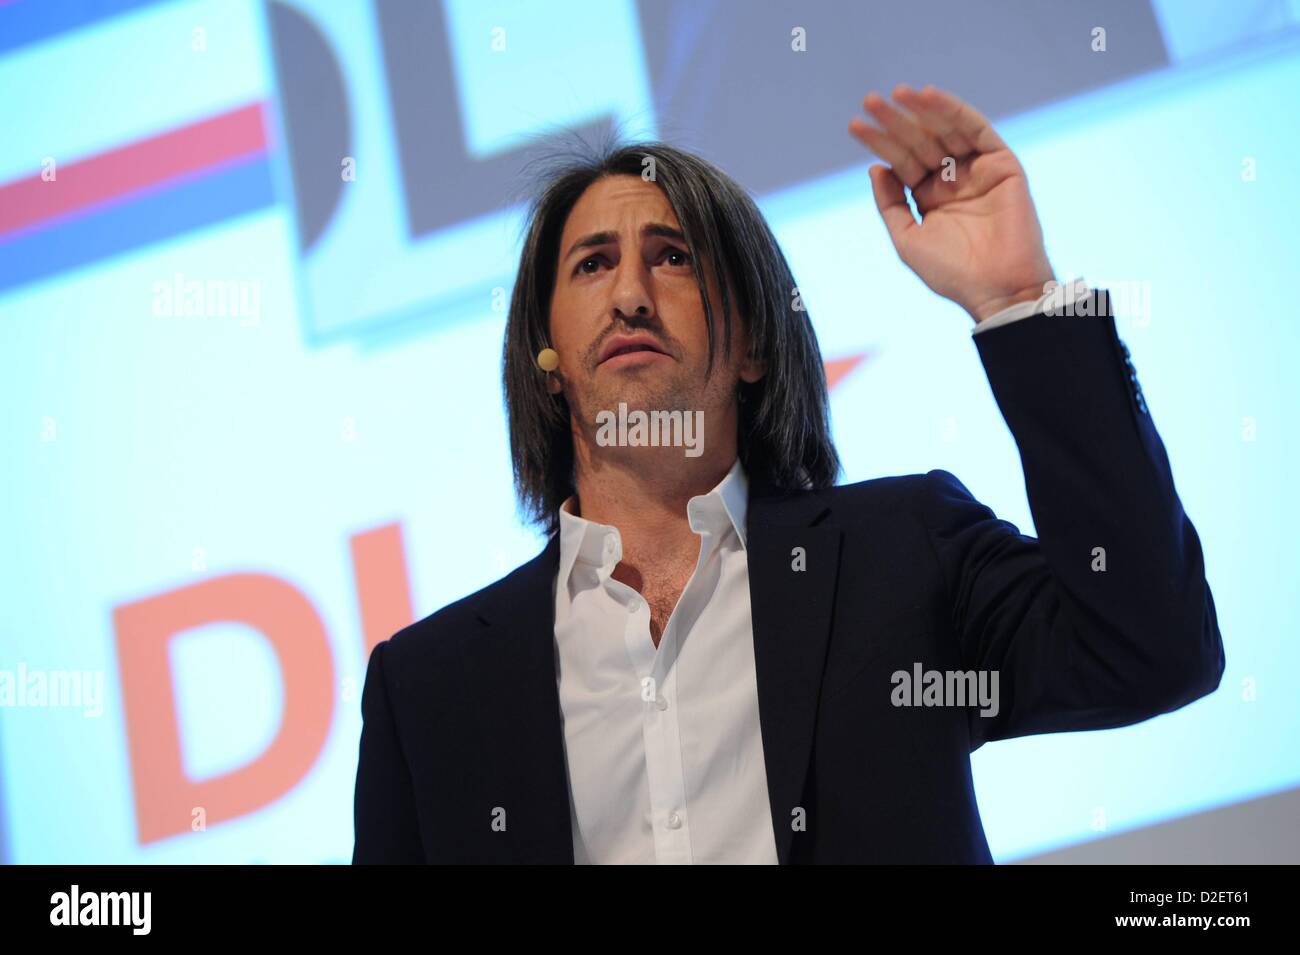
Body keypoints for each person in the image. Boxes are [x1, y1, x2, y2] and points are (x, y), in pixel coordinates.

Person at [352, 84, 1224, 864]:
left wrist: (1016, 301)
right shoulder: (427, 691)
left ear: (754, 347)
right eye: (592, 264)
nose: (629, 295)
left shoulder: (902, 554)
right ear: (546, 363)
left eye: (673, 255)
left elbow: (1151, 649)